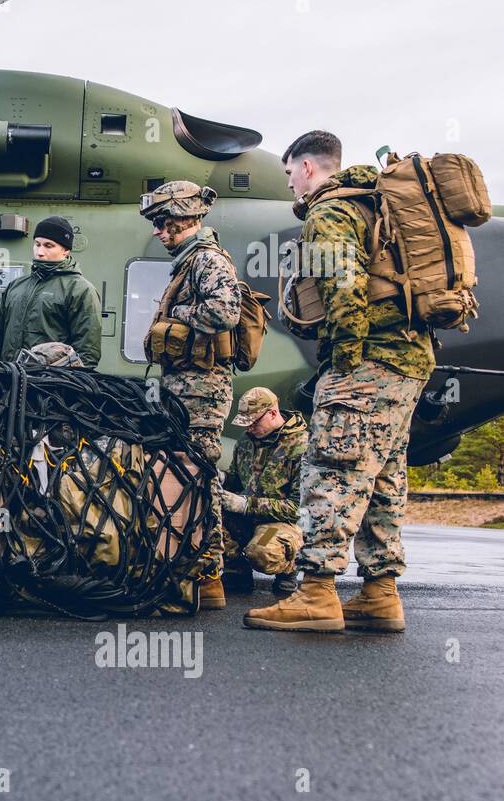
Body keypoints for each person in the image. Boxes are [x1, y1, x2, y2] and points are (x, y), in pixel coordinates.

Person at [246, 131, 434, 633]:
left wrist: (341, 364)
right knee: (383, 479)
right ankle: (379, 593)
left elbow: (344, 287)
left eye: (289, 174)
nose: (289, 185)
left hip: (365, 367)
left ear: (308, 168)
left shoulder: (331, 211)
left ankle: (316, 593)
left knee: (332, 468)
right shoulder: (376, 204)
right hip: (408, 363)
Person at [139, 180, 242, 610]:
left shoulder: (207, 261)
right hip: (186, 390)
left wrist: (176, 313)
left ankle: (209, 574)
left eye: (163, 224)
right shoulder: (188, 262)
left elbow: (225, 310)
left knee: (200, 477)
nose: (159, 232)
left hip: (202, 391)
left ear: (184, 218)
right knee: (190, 476)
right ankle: (201, 572)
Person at [0, 215, 102, 367]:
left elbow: (87, 352)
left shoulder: (80, 290)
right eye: (37, 244)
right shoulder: (16, 287)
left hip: (48, 387)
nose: (40, 251)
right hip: (8, 382)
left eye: (48, 246)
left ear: (65, 250)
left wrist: (59, 385)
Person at [221, 387, 307, 597]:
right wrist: (221, 479)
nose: (249, 427)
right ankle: (236, 571)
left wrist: (245, 504)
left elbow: (298, 508)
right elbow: (235, 478)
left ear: (273, 413)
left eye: (254, 421)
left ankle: (289, 569)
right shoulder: (246, 441)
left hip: (278, 524)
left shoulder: (302, 447)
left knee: (261, 552)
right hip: (246, 518)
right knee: (206, 523)